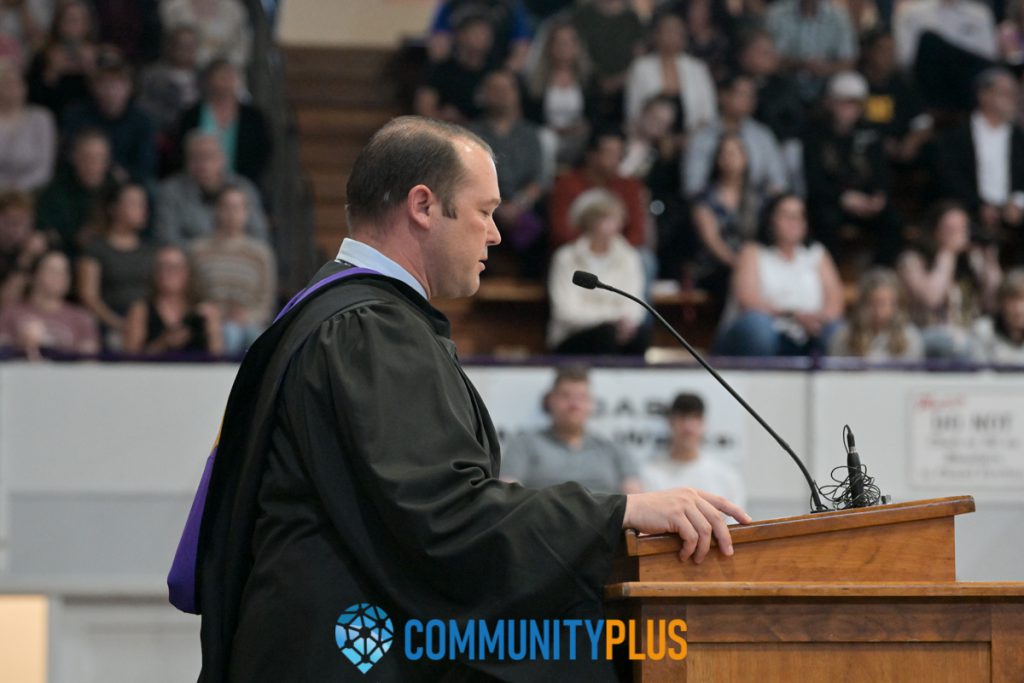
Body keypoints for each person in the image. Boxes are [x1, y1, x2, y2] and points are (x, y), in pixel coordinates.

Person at [189, 116, 750, 681]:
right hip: (342, 651)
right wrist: (622, 512)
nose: (497, 234)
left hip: (335, 636)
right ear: (423, 206)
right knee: (614, 652)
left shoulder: (349, 315)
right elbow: (443, 515)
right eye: (485, 211)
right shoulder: (369, 329)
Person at [715, 193, 845, 356]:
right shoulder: (752, 252)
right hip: (764, 331)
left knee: (838, 331)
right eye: (786, 215)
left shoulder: (817, 254)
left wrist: (817, 319)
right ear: (771, 220)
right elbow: (748, 300)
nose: (793, 222)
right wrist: (793, 316)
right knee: (757, 326)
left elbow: (835, 302)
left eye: (799, 216)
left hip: (809, 333)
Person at [803, 70, 901, 265]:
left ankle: (880, 273)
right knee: (825, 220)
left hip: (866, 202)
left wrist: (879, 196)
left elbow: (882, 171)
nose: (849, 110)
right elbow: (814, 180)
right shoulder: (815, 136)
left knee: (893, 221)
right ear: (830, 103)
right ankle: (832, 275)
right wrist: (842, 198)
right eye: (844, 103)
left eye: (855, 104)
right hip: (832, 201)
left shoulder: (871, 134)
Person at [502, 365, 644, 493]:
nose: (574, 405)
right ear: (550, 400)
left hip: (603, 520)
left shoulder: (613, 449)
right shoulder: (524, 445)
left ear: (591, 404)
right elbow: (507, 492)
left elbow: (636, 497)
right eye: (566, 396)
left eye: (581, 397)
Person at [547, 188, 648, 354]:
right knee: (605, 335)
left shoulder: (629, 257)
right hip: (574, 335)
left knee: (641, 336)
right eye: (607, 218)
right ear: (591, 221)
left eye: (617, 218)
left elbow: (635, 306)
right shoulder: (566, 258)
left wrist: (623, 322)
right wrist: (610, 319)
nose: (616, 224)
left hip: (618, 332)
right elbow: (566, 312)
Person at [897, 201, 1002, 358]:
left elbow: (995, 301)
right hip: (928, 336)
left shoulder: (973, 259)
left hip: (970, 336)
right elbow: (931, 299)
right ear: (935, 231)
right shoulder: (912, 260)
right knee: (953, 344)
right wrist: (947, 253)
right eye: (950, 229)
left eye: (962, 228)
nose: (958, 234)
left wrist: (990, 260)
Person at [936, 68, 1024, 243]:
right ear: (984, 96)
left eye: (1015, 94)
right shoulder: (957, 135)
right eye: (1006, 93)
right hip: (969, 206)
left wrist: (1019, 202)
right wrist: (978, 205)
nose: (1013, 100)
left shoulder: (1020, 138)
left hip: (1012, 210)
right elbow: (948, 176)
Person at [189, 185, 276, 355]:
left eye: (237, 207)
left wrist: (248, 317)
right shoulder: (198, 250)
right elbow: (192, 294)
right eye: (226, 207)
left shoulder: (261, 253)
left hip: (251, 323)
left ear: (246, 212)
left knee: (256, 338)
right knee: (230, 333)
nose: (231, 213)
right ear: (217, 210)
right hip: (213, 325)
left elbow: (266, 300)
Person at [75, 182, 155, 350]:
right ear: (114, 208)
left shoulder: (151, 250)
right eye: (134, 203)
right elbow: (88, 296)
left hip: (147, 320)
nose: (142, 210)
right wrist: (118, 323)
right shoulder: (96, 249)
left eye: (143, 204)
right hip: (109, 321)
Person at [682, 72, 788, 198]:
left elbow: (779, 182)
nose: (748, 100)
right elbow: (693, 186)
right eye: (742, 94)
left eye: (751, 96)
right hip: (711, 208)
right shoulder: (703, 135)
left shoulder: (763, 135)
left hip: (758, 208)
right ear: (723, 96)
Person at [154, 131, 269, 245]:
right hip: (190, 259)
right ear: (187, 162)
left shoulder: (243, 187)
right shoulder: (171, 190)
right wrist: (207, 253)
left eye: (209, 157)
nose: (203, 165)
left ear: (223, 159)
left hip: (238, 257)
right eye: (196, 158)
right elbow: (167, 238)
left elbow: (259, 235)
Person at [640, 392, 746, 513]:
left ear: (704, 423)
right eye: (682, 417)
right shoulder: (649, 474)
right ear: (670, 422)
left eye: (695, 417)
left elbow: (735, 527)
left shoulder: (727, 476)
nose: (688, 426)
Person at [62, 53, 158, 183]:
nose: (111, 90)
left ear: (130, 87)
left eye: (117, 84)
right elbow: (68, 154)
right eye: (104, 83)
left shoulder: (143, 120)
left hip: (126, 181)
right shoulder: (76, 114)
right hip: (82, 177)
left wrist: (124, 174)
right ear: (94, 87)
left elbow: (145, 164)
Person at [173, 58, 272, 184]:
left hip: (242, 182)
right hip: (196, 181)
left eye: (231, 76)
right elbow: (181, 150)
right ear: (208, 80)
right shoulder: (191, 115)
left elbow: (262, 152)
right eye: (221, 76)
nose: (226, 81)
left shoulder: (254, 117)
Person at [688, 133, 762, 299]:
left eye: (735, 153)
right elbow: (713, 242)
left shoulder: (758, 197)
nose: (729, 158)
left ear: (745, 158)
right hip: (717, 267)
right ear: (717, 159)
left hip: (754, 263)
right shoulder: (704, 199)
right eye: (724, 153)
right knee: (735, 279)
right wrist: (741, 265)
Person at [549, 126, 649, 249]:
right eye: (609, 153)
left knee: (645, 258)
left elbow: (637, 233)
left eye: (619, 154)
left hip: (617, 253)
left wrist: (611, 250)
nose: (615, 160)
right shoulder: (567, 183)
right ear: (591, 154)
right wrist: (594, 248)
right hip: (577, 251)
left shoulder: (630, 186)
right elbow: (560, 230)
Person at [623, 11, 717, 133]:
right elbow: (633, 110)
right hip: (650, 138)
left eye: (677, 31)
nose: (673, 35)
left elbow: (708, 112)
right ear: (656, 35)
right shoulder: (641, 67)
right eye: (668, 31)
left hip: (691, 140)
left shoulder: (698, 68)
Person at [123, 244, 222, 355]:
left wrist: (211, 329)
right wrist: (163, 344)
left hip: (196, 371)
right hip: (154, 371)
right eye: (161, 267)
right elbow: (129, 360)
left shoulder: (205, 312)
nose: (165, 273)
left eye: (173, 267)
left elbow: (217, 359)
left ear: (187, 272)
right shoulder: (141, 310)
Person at [0, 250, 99, 358]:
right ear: (34, 275)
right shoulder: (11, 313)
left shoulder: (81, 318)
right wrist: (19, 344)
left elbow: (89, 361)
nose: (60, 278)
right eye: (52, 271)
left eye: (64, 272)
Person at [522, 19, 594, 166]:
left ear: (577, 46)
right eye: (559, 42)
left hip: (579, 138)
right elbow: (530, 117)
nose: (563, 48)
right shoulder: (535, 81)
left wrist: (582, 127)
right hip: (547, 138)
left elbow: (594, 115)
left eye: (568, 42)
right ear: (549, 46)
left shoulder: (589, 80)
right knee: (546, 139)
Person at [35, 127, 116, 257]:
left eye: (99, 158)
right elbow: (48, 230)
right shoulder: (56, 190)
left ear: (107, 161)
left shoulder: (117, 189)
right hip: (67, 255)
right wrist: (74, 237)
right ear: (75, 158)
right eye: (87, 157)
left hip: (110, 256)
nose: (93, 164)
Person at [765, 0, 859, 102]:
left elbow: (848, 62)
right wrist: (801, 64)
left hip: (827, 82)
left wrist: (825, 69)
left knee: (850, 85)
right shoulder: (776, 14)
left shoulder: (839, 17)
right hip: (784, 78)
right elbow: (767, 56)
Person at [828, 267, 925, 359]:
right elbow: (835, 373)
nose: (878, 311)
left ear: (896, 305)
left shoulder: (910, 338)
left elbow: (913, 375)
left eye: (884, 303)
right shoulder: (844, 337)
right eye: (873, 303)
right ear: (862, 304)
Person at [414, 13, 495, 125]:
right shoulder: (442, 70)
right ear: (460, 36)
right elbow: (424, 106)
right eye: (476, 33)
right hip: (447, 131)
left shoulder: (497, 72)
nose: (482, 38)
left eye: (486, 34)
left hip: (488, 135)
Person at [25, 0, 97, 121]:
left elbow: (107, 100)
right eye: (68, 20)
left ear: (87, 25)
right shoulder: (43, 56)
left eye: (77, 21)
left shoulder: (98, 56)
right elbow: (31, 100)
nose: (72, 26)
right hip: (51, 118)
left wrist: (91, 70)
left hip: (88, 122)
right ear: (58, 24)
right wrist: (51, 73)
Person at [0, 56, 56, 192]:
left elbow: (44, 168)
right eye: (7, 83)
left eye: (17, 83)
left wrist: (17, 190)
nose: (13, 89)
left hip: (32, 192)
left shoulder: (41, 118)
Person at [137, 25, 201, 132]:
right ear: (169, 46)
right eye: (181, 45)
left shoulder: (204, 76)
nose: (185, 50)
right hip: (163, 131)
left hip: (196, 132)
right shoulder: (151, 75)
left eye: (190, 45)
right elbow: (144, 106)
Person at [159, 0, 252, 69]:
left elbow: (241, 48)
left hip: (225, 77)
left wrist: (223, 69)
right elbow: (171, 45)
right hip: (184, 74)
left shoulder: (234, 9)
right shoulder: (173, 7)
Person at [0, 190, 49, 309]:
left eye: (23, 222)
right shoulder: (29, 253)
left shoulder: (41, 249)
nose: (17, 228)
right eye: (11, 221)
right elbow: (4, 304)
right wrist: (27, 257)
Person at [972, 267, 1024, 363]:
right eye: (1012, 301)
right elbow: (979, 372)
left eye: (1022, 300)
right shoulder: (984, 331)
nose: (1018, 309)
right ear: (1001, 303)